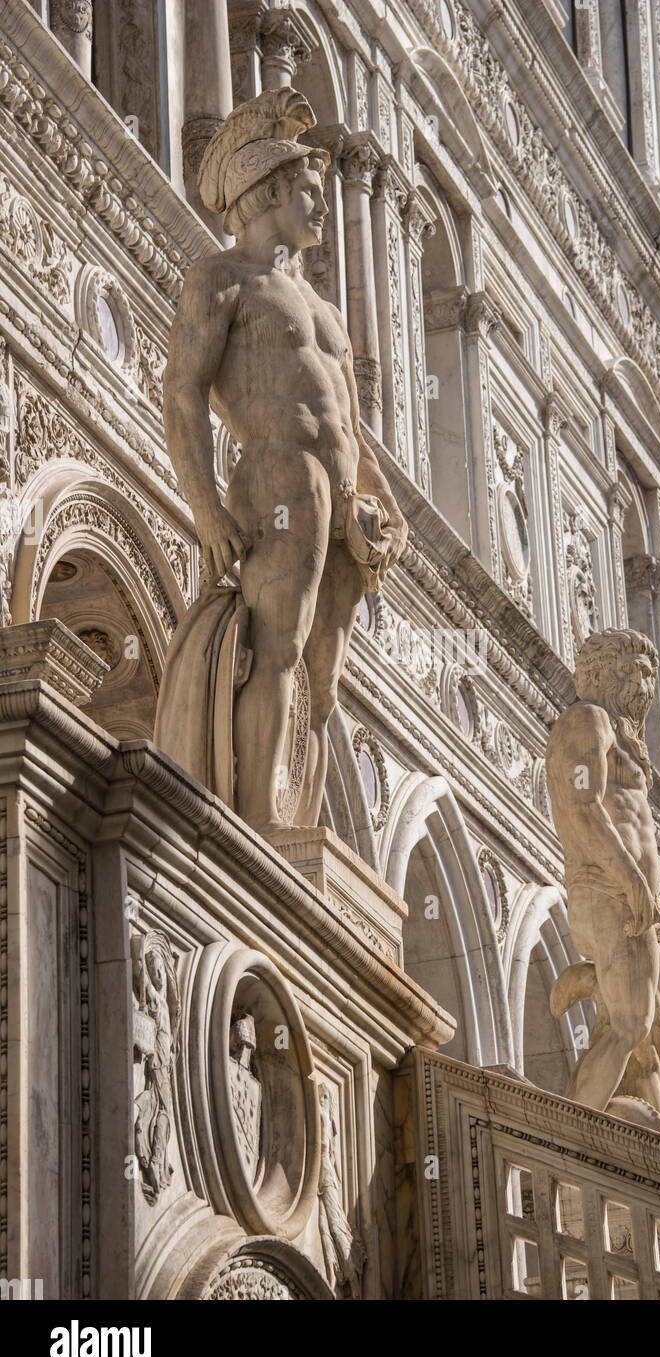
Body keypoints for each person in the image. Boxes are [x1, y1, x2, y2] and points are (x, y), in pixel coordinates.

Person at [156, 89, 406, 835]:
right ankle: (258, 811)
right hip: (277, 477)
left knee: (323, 684)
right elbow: (181, 393)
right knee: (280, 642)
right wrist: (203, 505)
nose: (321, 209)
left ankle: (296, 817)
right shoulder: (222, 279)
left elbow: (353, 432)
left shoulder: (324, 312)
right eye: (306, 192)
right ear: (265, 192)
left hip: (339, 496)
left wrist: (384, 507)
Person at [546, 628, 660, 1128]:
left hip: (638, 908)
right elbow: (583, 807)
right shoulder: (587, 720)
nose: (642, 687)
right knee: (629, 1025)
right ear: (603, 673)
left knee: (650, 1043)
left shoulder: (626, 742)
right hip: (607, 890)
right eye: (631, 672)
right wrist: (630, 879)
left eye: (648, 675)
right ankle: (572, 1137)